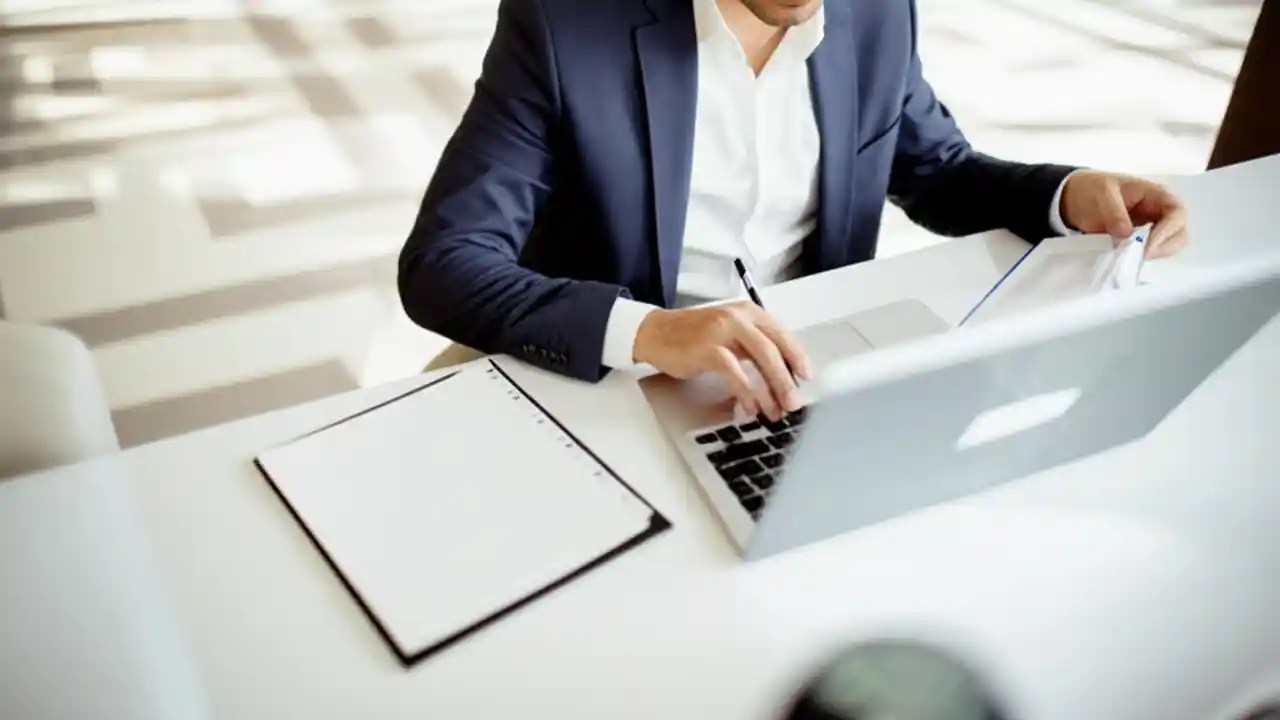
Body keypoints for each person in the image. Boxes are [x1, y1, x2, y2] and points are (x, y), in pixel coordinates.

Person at [399, 0, 1190, 420]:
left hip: (802, 379)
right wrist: (651, 330)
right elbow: (444, 263)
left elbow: (935, 171)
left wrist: (1063, 193)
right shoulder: (566, 22)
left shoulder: (873, 12)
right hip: (614, 380)